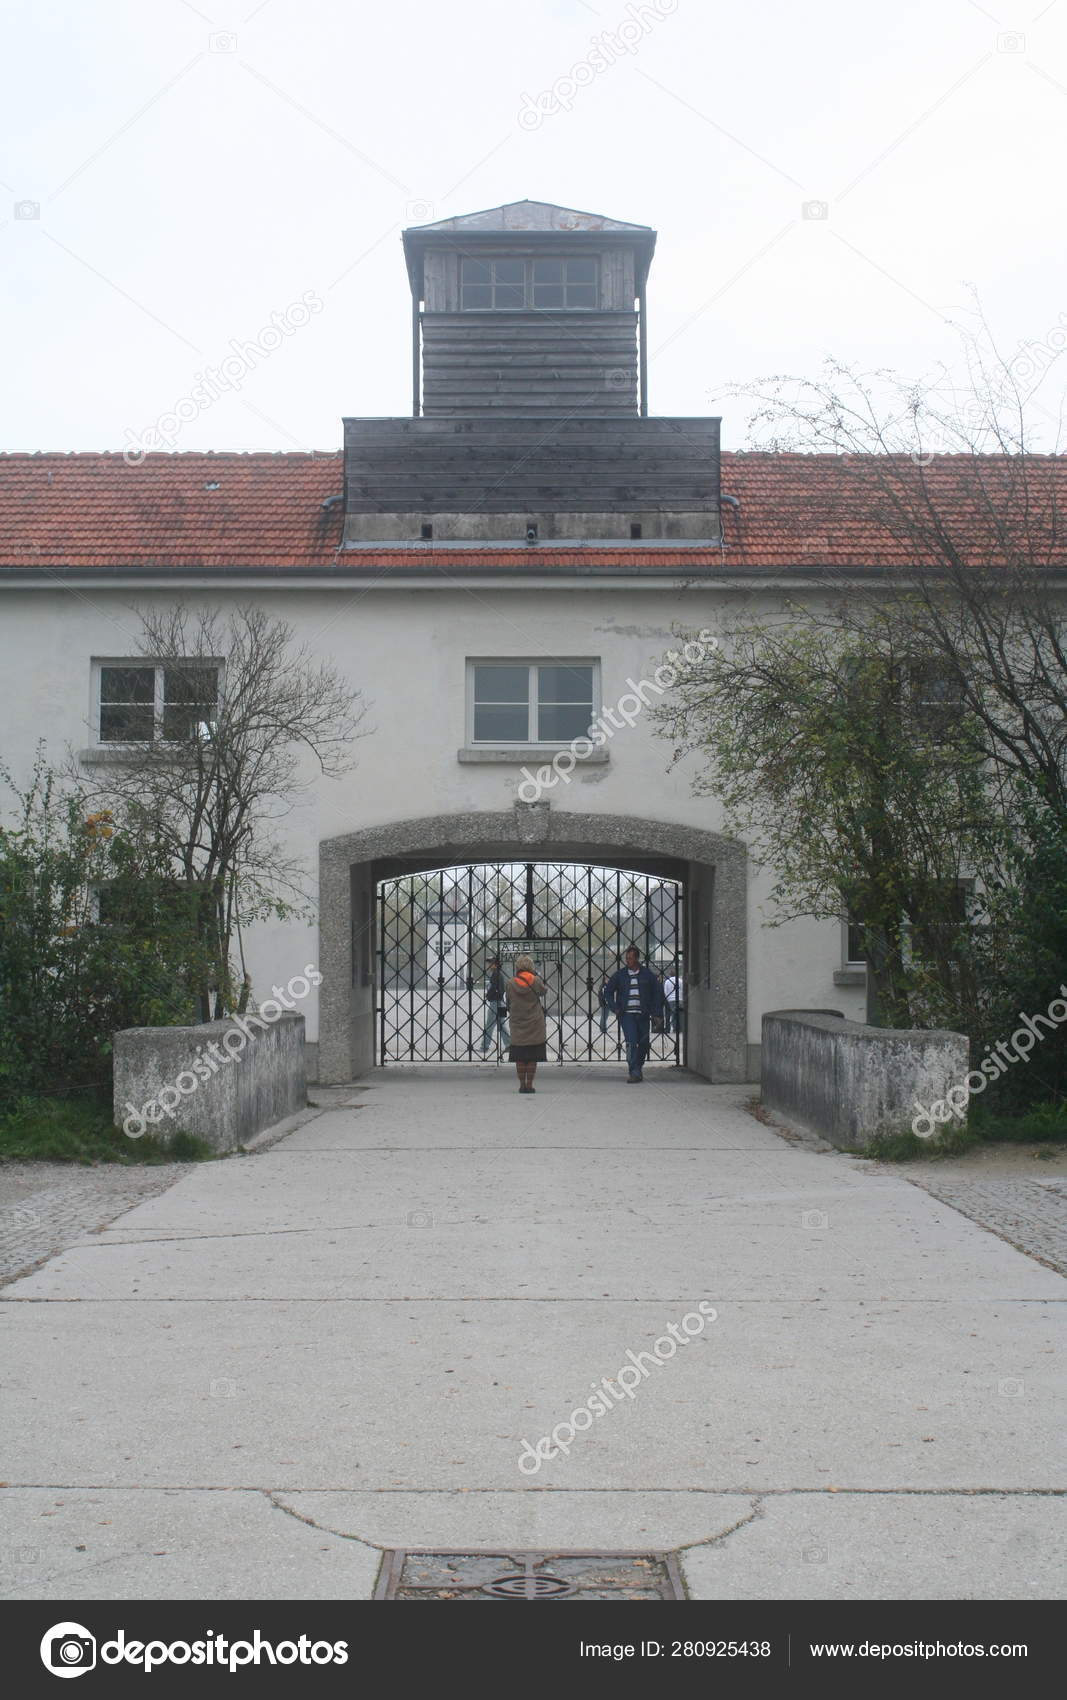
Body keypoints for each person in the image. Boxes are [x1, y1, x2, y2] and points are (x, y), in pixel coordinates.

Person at [606, 944, 665, 1083]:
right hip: (626, 1015)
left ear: (637, 958)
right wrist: (615, 1008)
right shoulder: (620, 975)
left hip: (643, 1014)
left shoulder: (647, 975)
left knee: (644, 1043)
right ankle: (634, 1071)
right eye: (627, 958)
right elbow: (608, 992)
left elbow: (657, 993)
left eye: (631, 958)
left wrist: (656, 1013)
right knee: (631, 1042)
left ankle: (638, 1068)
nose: (628, 961)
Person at [505, 953, 548, 1093]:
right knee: (532, 1057)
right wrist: (537, 976)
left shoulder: (510, 983)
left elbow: (508, 1000)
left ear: (517, 966)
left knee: (520, 1057)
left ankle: (521, 1085)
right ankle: (530, 1085)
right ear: (531, 966)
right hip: (535, 1022)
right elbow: (544, 991)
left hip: (517, 1022)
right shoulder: (535, 980)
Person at [479, 957, 510, 1055]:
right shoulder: (499, 974)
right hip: (501, 1002)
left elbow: (495, 989)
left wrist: (488, 995)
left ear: (495, 964)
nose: (488, 965)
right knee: (502, 1025)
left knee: (489, 1025)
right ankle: (509, 1045)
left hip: (495, 1003)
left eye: (490, 963)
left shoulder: (496, 974)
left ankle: (484, 1046)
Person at [662, 970, 683, 1037]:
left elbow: (665, 991)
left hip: (670, 999)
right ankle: (679, 1028)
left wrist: (668, 998)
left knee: (672, 1014)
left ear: (670, 974)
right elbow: (682, 990)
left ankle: (673, 1028)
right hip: (679, 999)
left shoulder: (667, 981)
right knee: (679, 1014)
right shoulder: (680, 980)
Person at [597, 970, 614, 1034]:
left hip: (604, 1003)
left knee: (603, 1016)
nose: (608, 980)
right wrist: (606, 1002)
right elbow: (604, 995)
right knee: (604, 1016)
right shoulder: (604, 986)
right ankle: (603, 1029)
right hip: (605, 1004)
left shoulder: (603, 986)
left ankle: (602, 1028)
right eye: (607, 979)